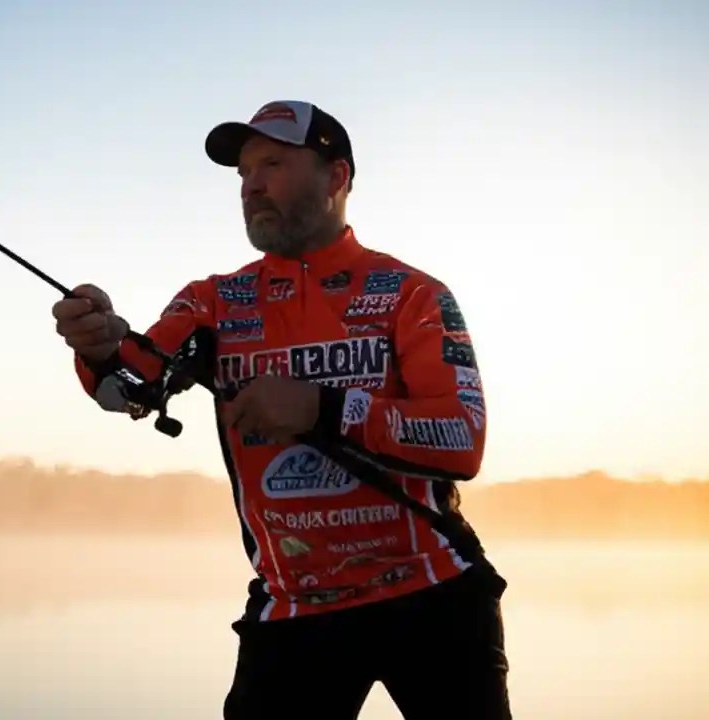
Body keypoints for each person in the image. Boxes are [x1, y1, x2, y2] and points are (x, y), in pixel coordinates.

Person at [51, 100, 511, 719]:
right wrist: (101, 348)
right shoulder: (215, 301)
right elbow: (136, 389)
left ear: (337, 178)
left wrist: (321, 407)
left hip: (435, 593)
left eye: (272, 163)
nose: (251, 185)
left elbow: (460, 441)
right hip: (294, 604)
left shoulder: (412, 294)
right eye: (243, 172)